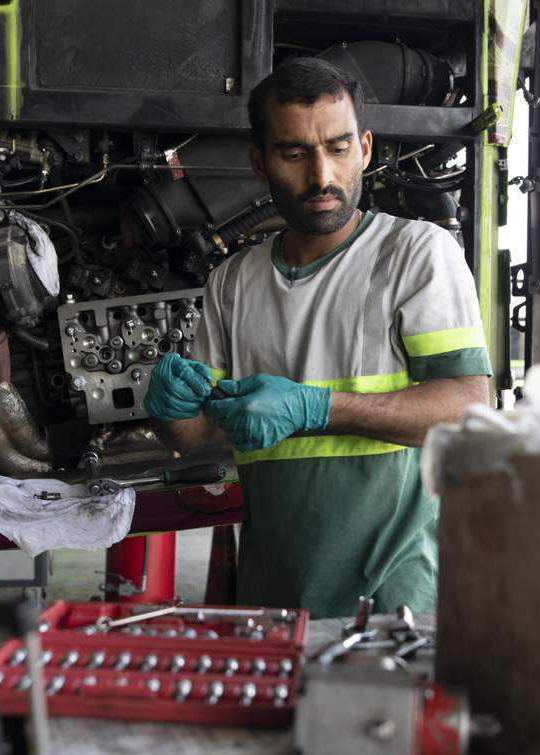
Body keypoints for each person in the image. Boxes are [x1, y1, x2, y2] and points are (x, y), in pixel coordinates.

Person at [144, 58, 491, 618]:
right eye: (294, 153)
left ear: (366, 149)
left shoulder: (417, 254)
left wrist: (317, 408)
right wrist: (170, 412)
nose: (322, 175)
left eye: (339, 147)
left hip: (392, 608)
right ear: (259, 162)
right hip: (273, 602)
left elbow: (467, 413)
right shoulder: (232, 282)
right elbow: (199, 436)